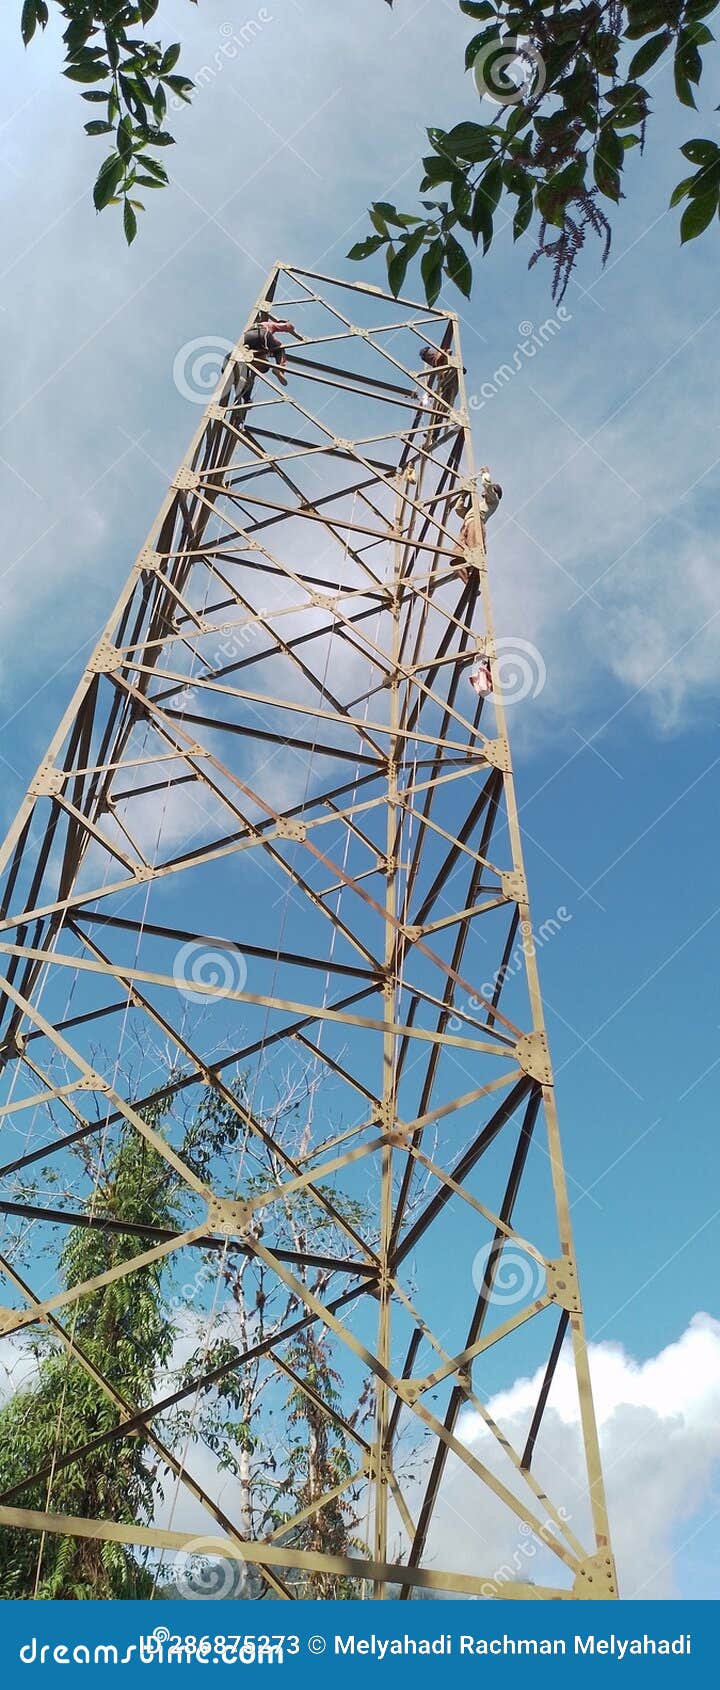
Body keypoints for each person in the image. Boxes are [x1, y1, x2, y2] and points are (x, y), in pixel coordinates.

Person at [452, 467, 503, 583]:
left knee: (475, 554)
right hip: (466, 525)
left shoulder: (493, 501)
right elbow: (458, 509)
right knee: (456, 557)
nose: (485, 491)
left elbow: (487, 485)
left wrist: (486, 474)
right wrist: (463, 495)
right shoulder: (477, 504)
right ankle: (468, 581)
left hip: (475, 523)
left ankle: (475, 576)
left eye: (491, 490)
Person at [243, 315, 300, 387]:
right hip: (261, 334)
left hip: (247, 337)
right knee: (279, 349)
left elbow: (253, 375)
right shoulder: (270, 324)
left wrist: (251, 380)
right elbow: (288, 326)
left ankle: (246, 347)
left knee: (253, 355)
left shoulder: (253, 357)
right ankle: (279, 369)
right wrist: (290, 328)